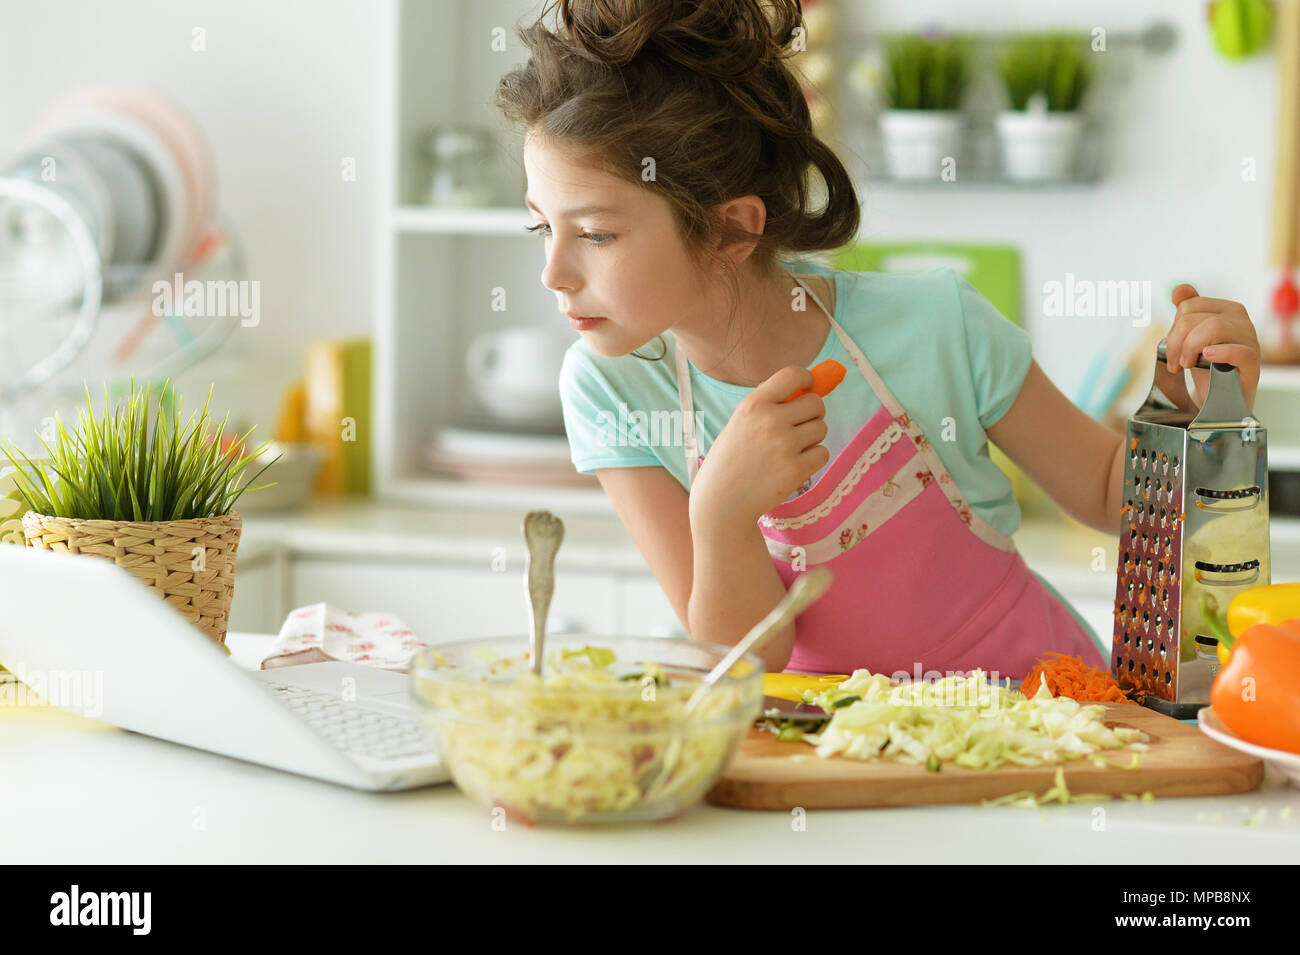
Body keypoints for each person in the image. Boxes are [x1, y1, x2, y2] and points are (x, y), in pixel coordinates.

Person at [494, 0, 1262, 679]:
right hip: (831, 750)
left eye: (594, 233)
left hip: (1043, 720)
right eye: (541, 226)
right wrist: (720, 514)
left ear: (732, 227)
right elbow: (741, 659)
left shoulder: (937, 325)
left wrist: (1205, 417)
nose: (552, 273)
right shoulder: (610, 386)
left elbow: (1109, 497)